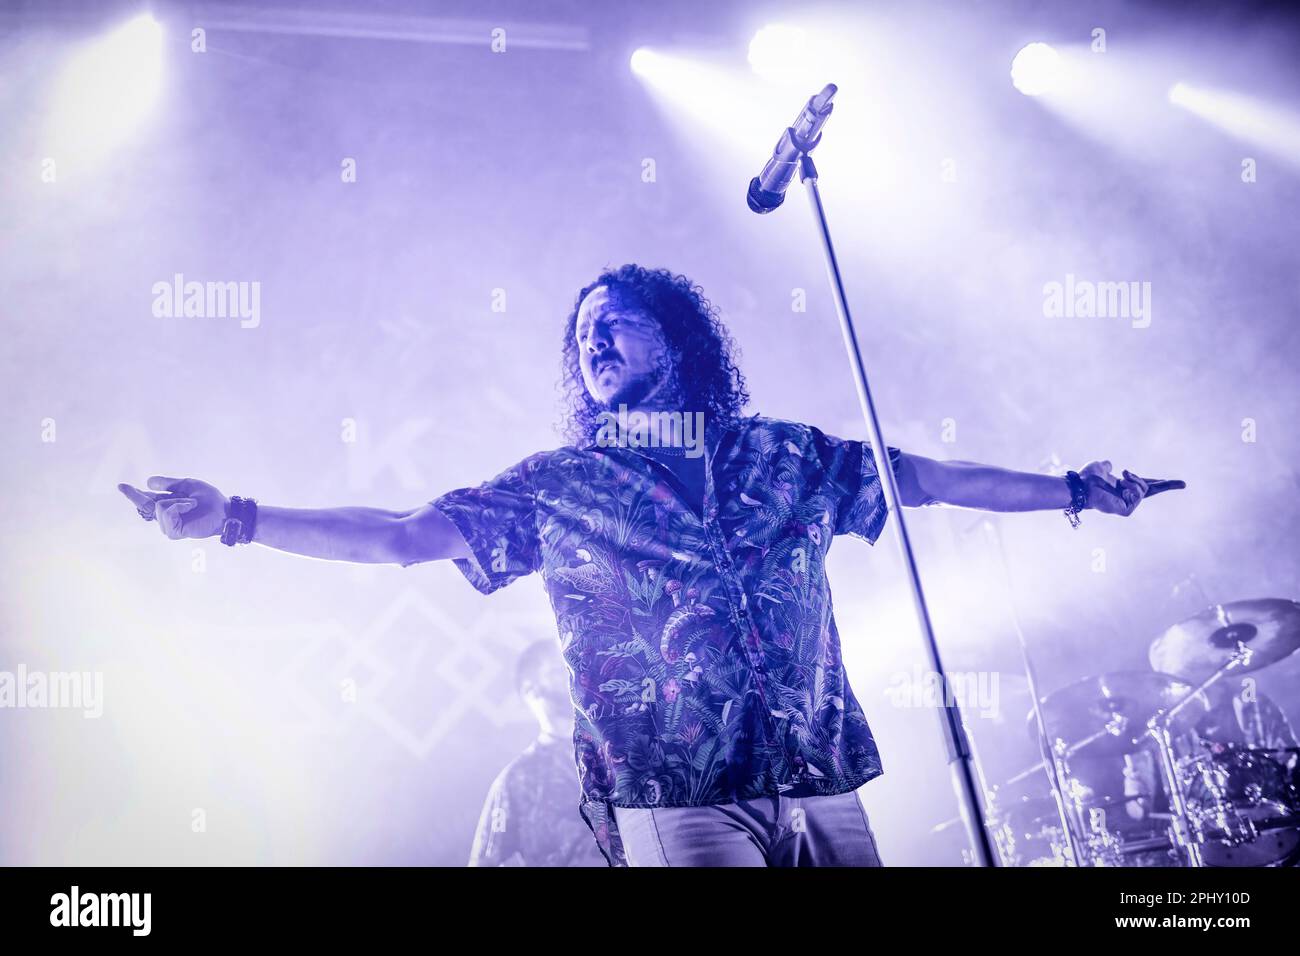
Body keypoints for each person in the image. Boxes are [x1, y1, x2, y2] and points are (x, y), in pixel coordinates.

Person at [120, 263, 1160, 866]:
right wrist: (237, 517)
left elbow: (929, 475)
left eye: (612, 322)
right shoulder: (563, 483)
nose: (594, 343)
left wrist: (1071, 488)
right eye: (580, 338)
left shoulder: (782, 453)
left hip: (823, 773)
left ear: (676, 336)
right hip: (680, 791)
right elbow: (402, 530)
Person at [468, 640, 608, 867]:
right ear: (530, 689)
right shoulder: (515, 780)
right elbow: (485, 862)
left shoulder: (612, 750)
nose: (570, 673)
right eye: (556, 669)